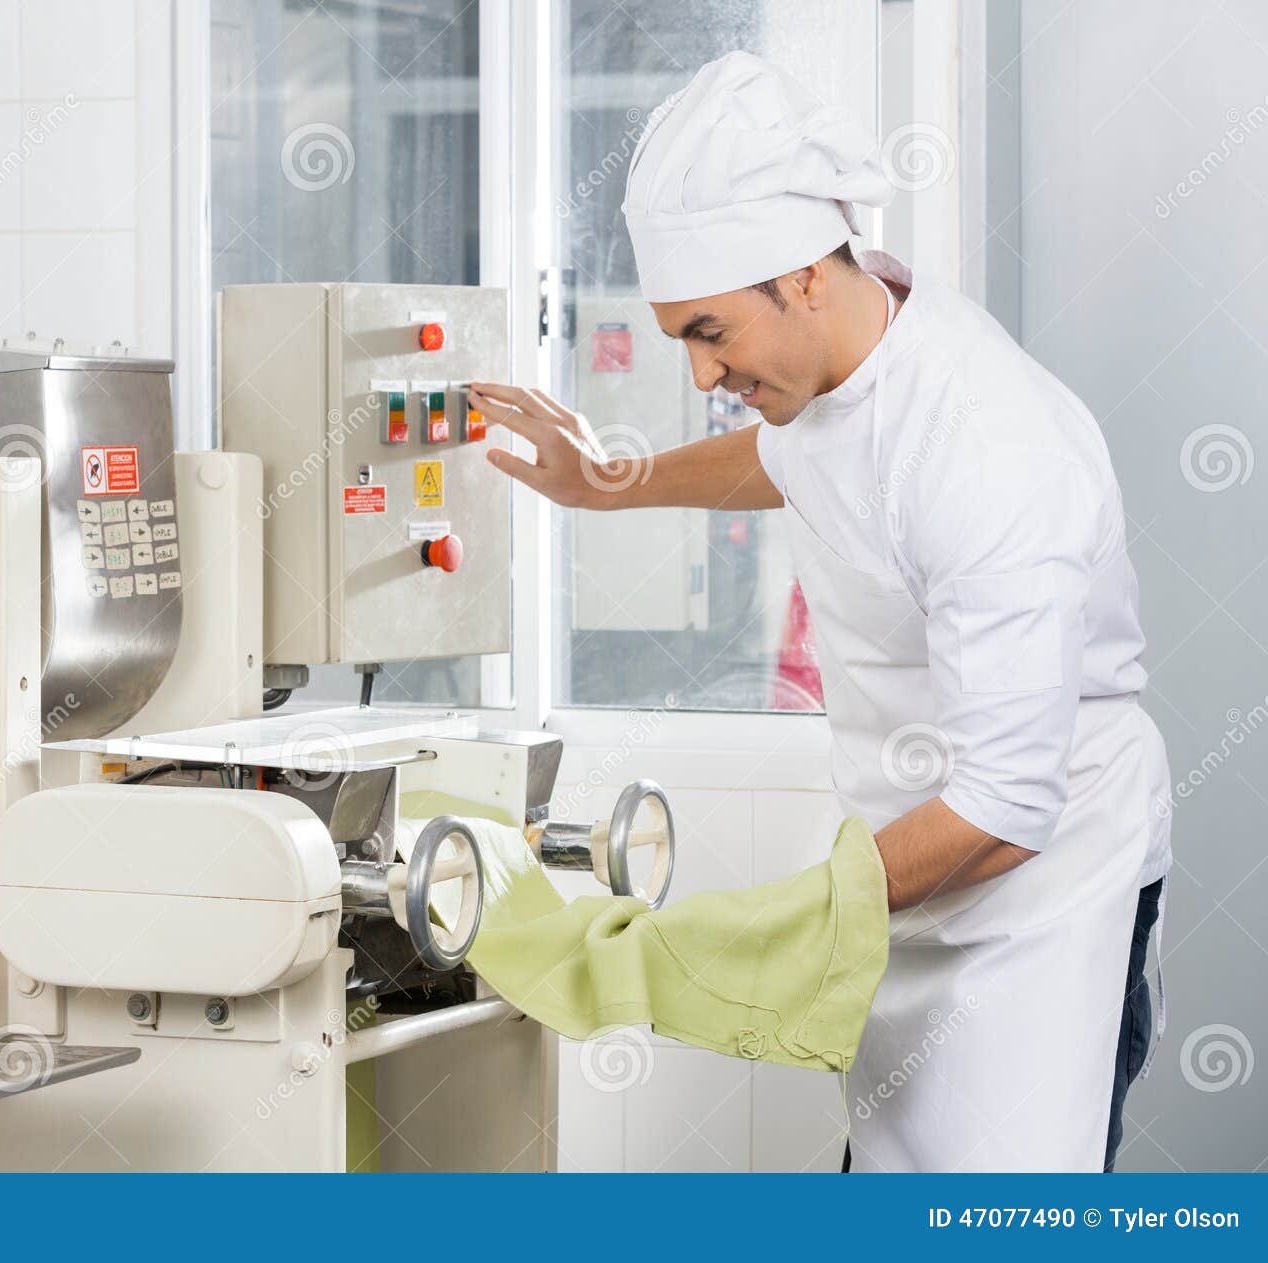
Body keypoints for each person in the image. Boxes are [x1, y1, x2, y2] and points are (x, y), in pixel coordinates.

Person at [469, 51, 1170, 1173]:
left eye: (710, 334)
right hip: (911, 878)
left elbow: (1001, 805)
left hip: (1038, 893)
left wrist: (764, 928)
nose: (701, 374)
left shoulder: (988, 448)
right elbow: (791, 459)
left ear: (801, 276)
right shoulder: (840, 374)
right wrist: (610, 483)